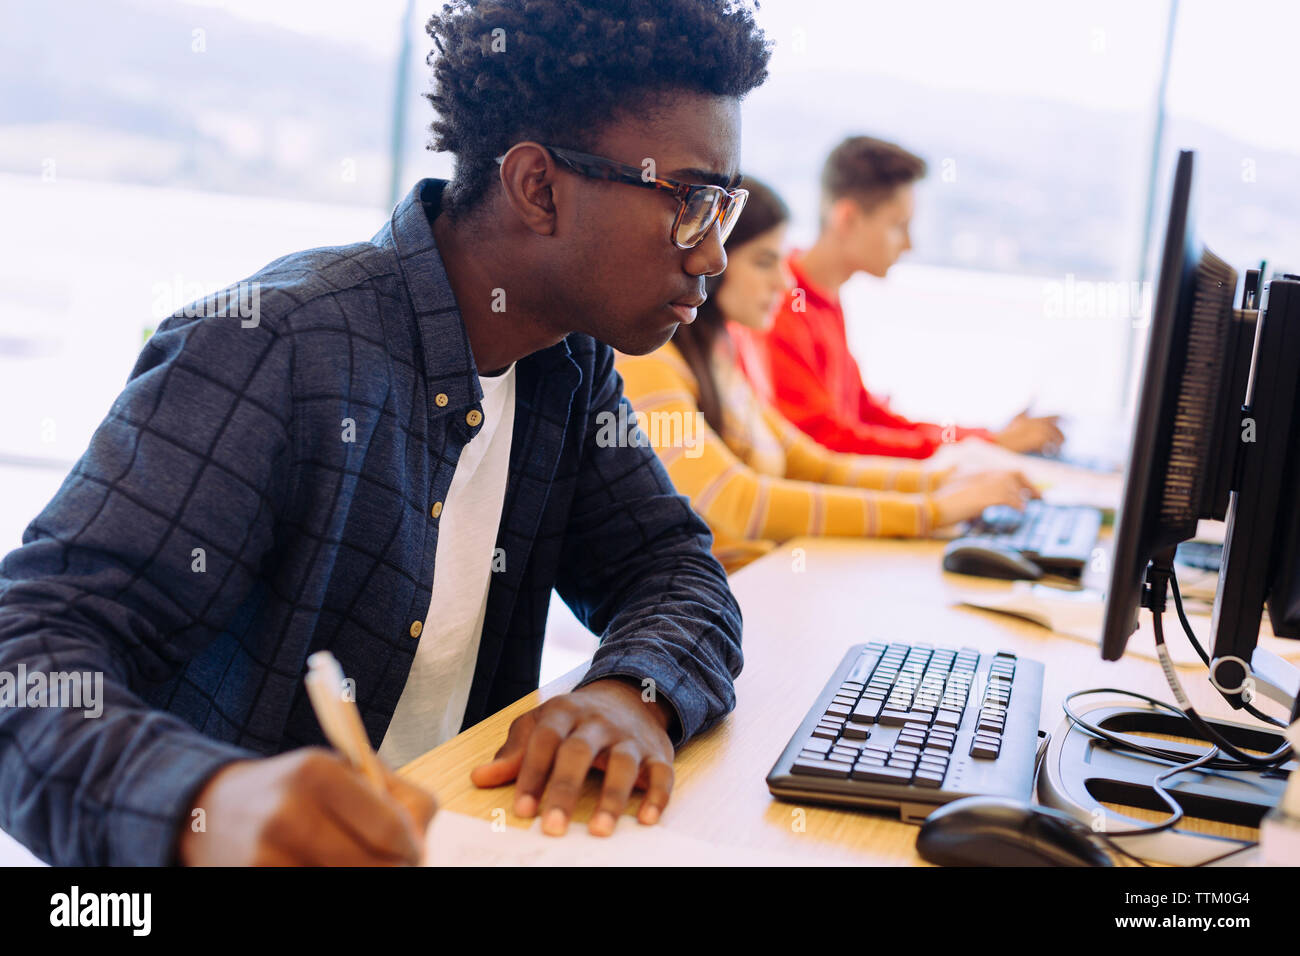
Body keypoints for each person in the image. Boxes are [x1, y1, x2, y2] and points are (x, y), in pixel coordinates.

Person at [0, 0, 772, 865]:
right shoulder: (274, 345)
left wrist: (634, 692)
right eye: (690, 201)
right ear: (539, 188)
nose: (711, 254)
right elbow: (25, 650)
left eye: (724, 207)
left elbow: (671, 568)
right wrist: (205, 802)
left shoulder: (568, 365)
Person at [614, 177, 1036, 573]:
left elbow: (818, 466)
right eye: (764, 263)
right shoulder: (650, 364)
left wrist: (941, 480)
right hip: (723, 602)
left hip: (766, 583)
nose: (784, 282)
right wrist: (934, 510)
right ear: (713, 261)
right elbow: (741, 502)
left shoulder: (718, 359)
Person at [755, 135, 1065, 459]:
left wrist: (986, 438)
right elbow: (828, 440)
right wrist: (985, 446)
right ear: (847, 218)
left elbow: (867, 415)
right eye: (897, 226)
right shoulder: (780, 303)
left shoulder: (824, 297)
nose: (908, 244)